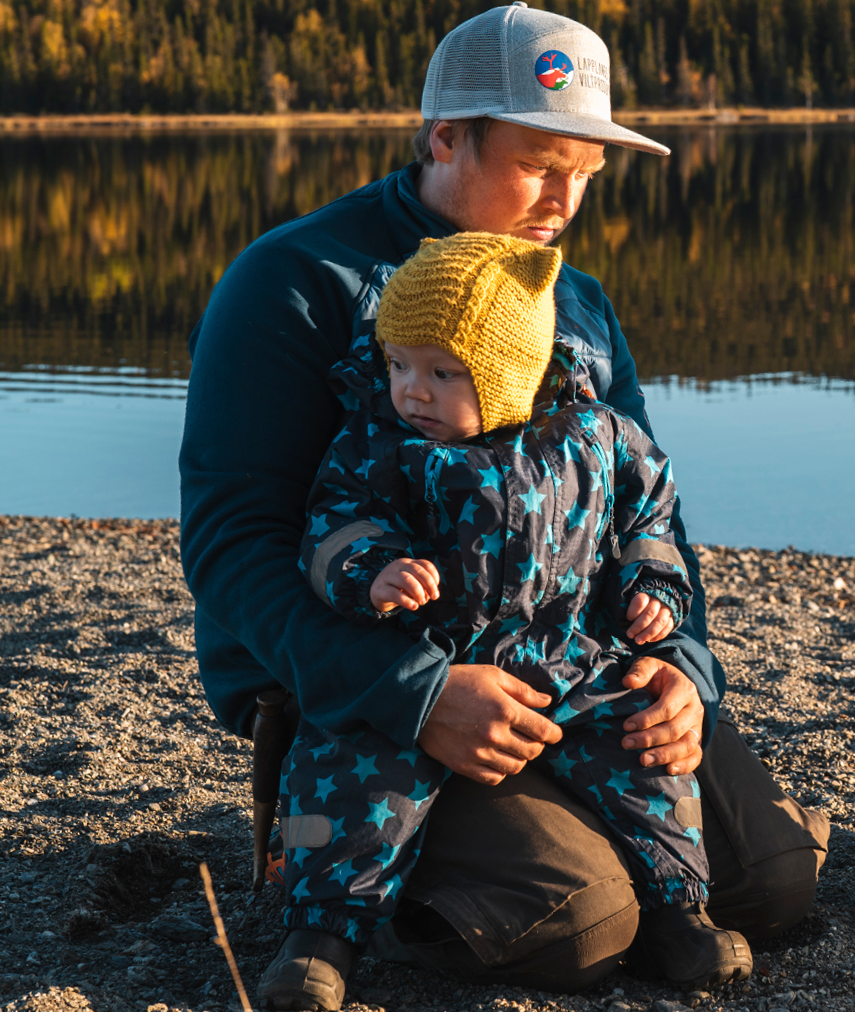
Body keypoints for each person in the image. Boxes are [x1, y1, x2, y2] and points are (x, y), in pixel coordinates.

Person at [180, 4, 827, 1008]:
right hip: (367, 690)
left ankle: (562, 830)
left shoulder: (576, 303)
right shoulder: (296, 281)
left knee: (771, 884)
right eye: (539, 164)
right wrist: (416, 692)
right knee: (578, 923)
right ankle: (336, 873)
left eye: (585, 173)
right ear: (446, 136)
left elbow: (645, 513)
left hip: (574, 666)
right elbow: (232, 550)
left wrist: (682, 667)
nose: (563, 201)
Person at [268, 231, 752, 1005]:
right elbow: (331, 528)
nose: (411, 391)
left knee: (647, 757)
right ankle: (321, 936)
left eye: (441, 372)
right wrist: (371, 569)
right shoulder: (380, 444)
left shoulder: (597, 437)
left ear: (508, 375)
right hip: (431, 662)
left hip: (569, 658)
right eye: (398, 364)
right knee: (357, 774)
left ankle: (676, 911)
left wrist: (655, 584)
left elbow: (651, 516)